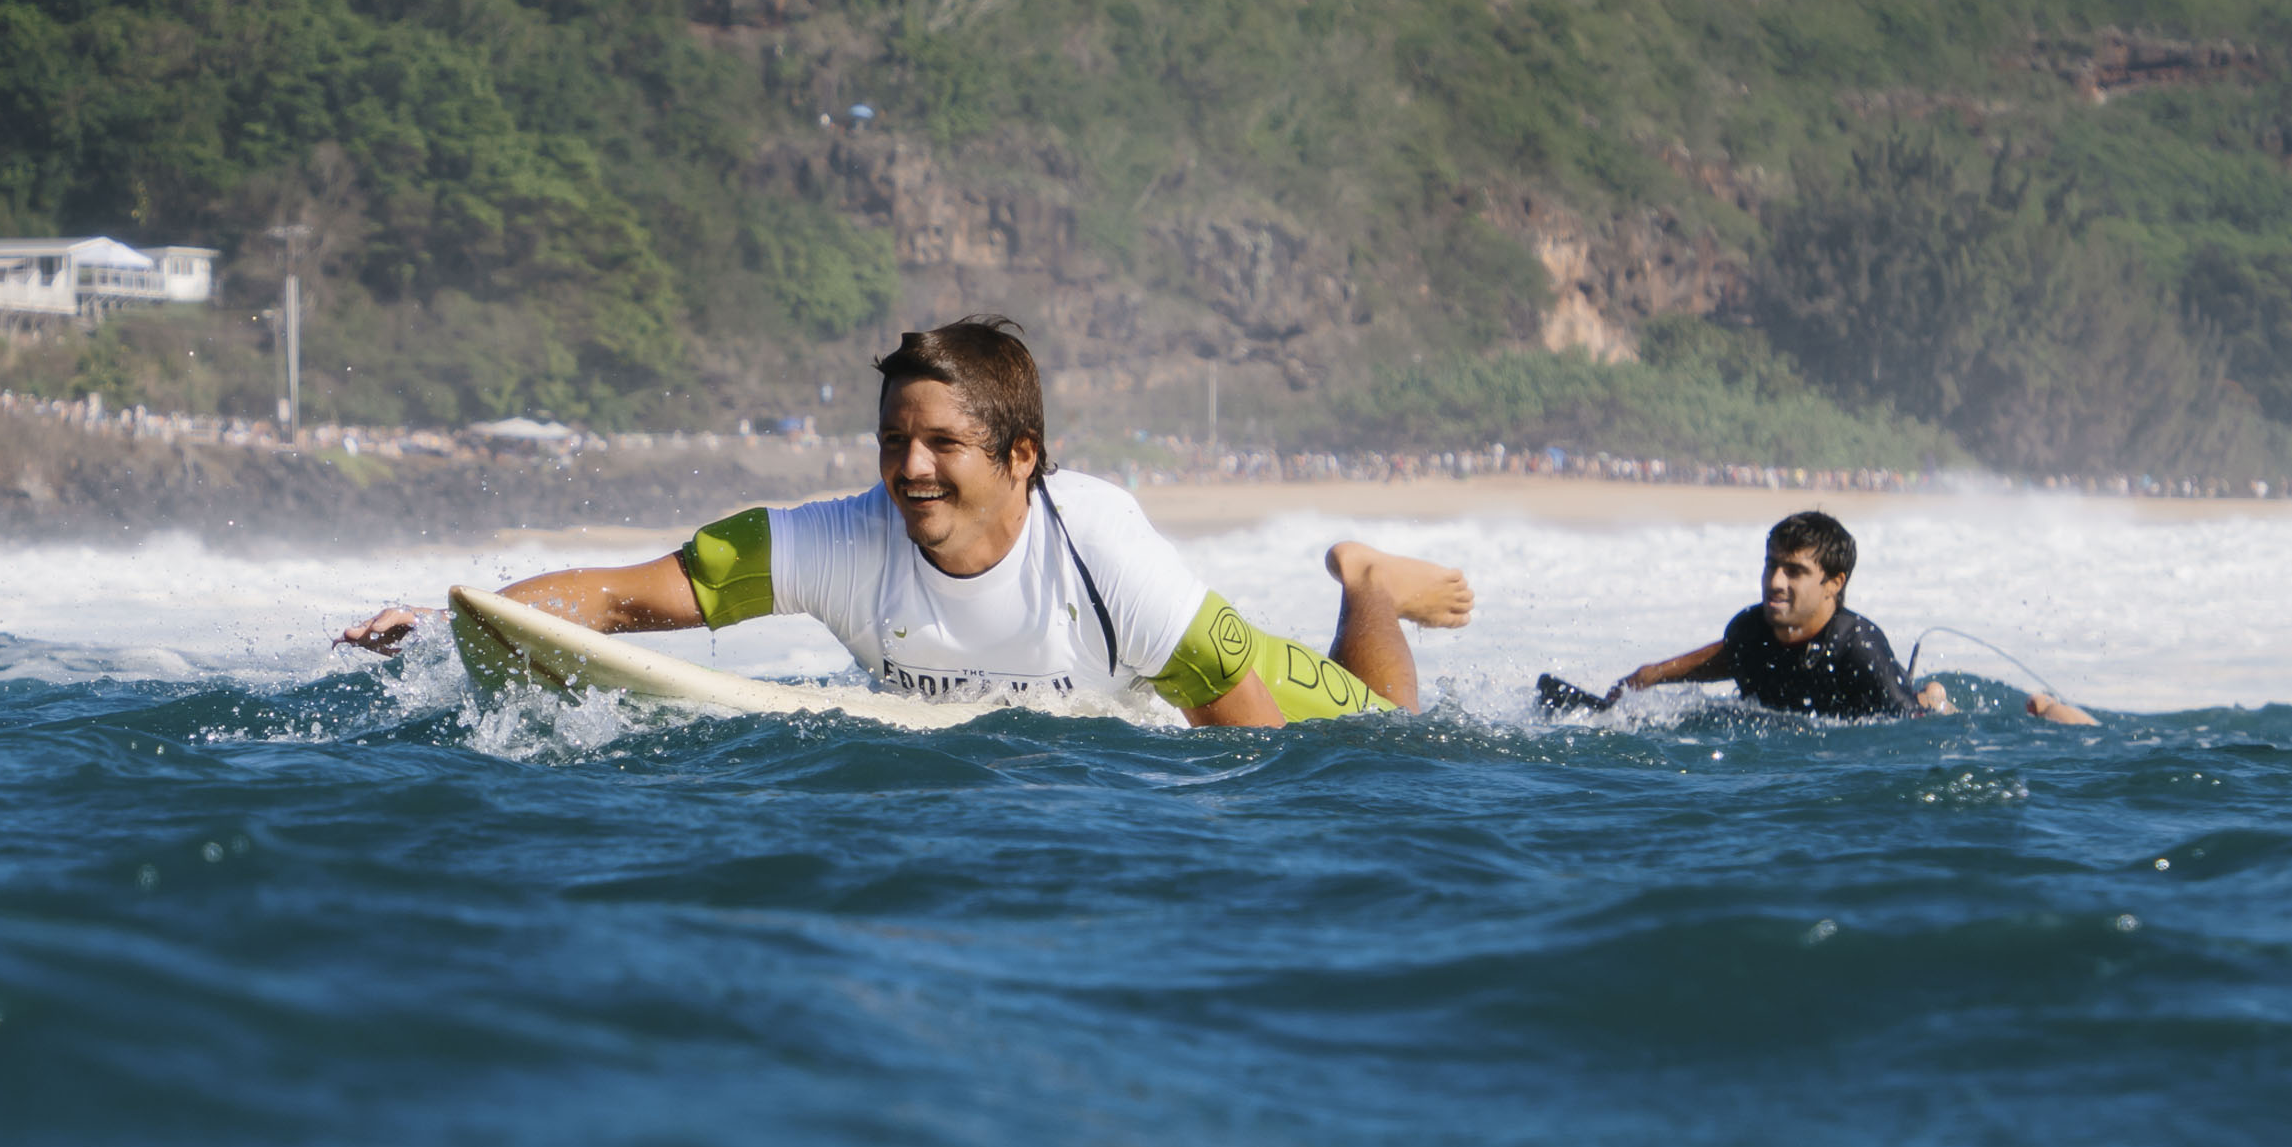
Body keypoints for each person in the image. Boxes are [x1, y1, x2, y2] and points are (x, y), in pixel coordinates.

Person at [342, 317, 1475, 725]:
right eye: (893, 440)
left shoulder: (1101, 546)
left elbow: (1257, 735)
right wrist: (466, 615)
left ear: (1019, 456)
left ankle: (1366, 577)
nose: (910, 468)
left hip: (1252, 687)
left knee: (1385, 718)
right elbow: (630, 596)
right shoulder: (839, 540)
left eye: (940, 443)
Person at [1567, 510, 2096, 725]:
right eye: (1773, 565)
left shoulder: (1856, 645)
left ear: (1833, 584)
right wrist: (1642, 681)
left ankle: (2037, 709)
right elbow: (1718, 660)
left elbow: (1913, 737)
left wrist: (1931, 713)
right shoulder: (1750, 629)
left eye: (1794, 571)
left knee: (1931, 709)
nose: (1776, 582)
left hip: (1902, 715)